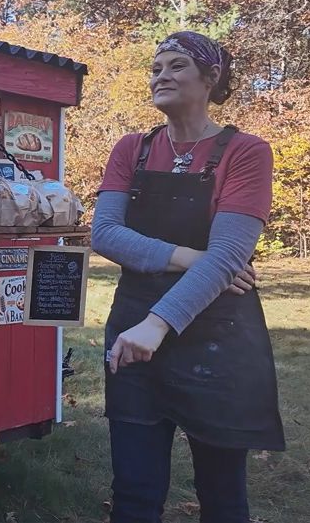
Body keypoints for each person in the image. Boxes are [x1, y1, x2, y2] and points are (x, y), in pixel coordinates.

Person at [90, 31, 285, 523]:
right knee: (133, 491)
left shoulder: (246, 152)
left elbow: (231, 255)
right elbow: (106, 235)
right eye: (156, 68)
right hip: (132, 330)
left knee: (222, 497)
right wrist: (195, 258)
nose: (161, 76)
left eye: (176, 66)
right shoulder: (131, 150)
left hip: (214, 335)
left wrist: (157, 325)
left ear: (210, 77)